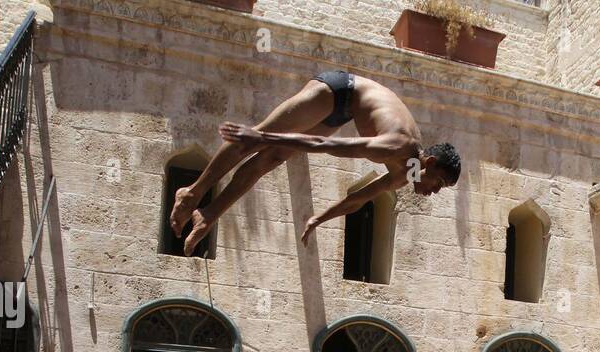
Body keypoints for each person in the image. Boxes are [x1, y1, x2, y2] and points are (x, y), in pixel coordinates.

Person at [168, 70, 461, 255]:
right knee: (255, 140)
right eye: (439, 183)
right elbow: (324, 144)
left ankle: (208, 213)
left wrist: (319, 218)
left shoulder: (406, 174)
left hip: (344, 113)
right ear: (430, 163)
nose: (434, 192)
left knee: (274, 156)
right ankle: (193, 192)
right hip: (337, 90)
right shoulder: (399, 145)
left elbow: (357, 199)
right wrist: (264, 135)